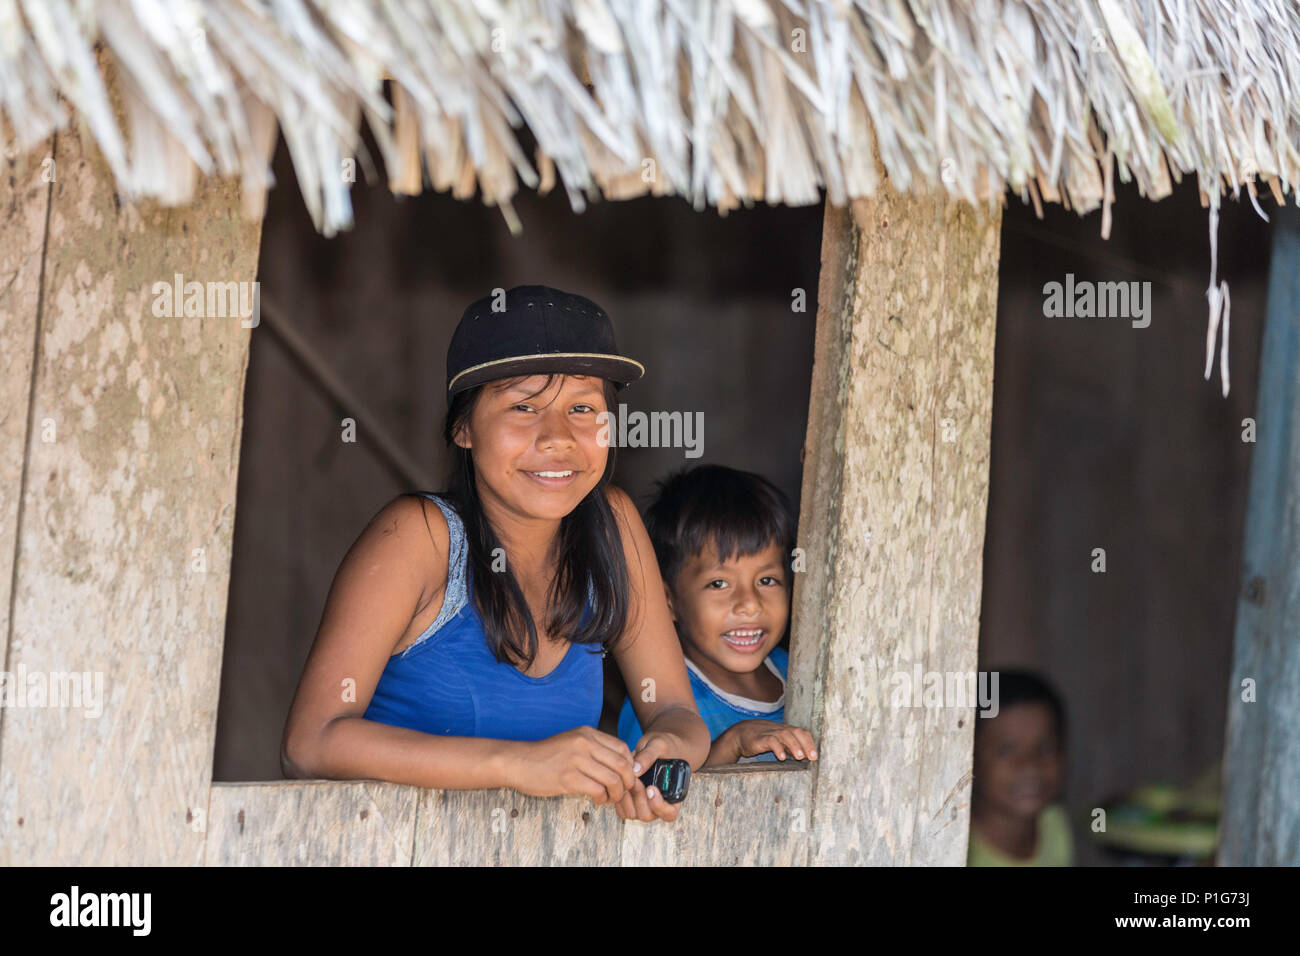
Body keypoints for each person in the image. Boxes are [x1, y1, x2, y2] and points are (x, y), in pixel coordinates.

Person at [281, 285, 710, 822]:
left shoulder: (614, 526)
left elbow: (674, 710)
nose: (558, 437)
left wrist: (661, 756)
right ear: (463, 428)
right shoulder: (420, 538)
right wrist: (518, 765)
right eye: (523, 406)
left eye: (582, 407)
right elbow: (311, 743)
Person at [617, 465, 817, 766]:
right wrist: (732, 744)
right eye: (719, 584)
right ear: (668, 601)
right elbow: (649, 796)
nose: (749, 604)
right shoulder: (657, 701)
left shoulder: (801, 674)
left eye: (767, 580)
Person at [967, 669, 1074, 865]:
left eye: (1045, 749)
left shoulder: (1053, 825)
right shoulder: (958, 849)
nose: (1030, 766)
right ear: (970, 759)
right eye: (1006, 750)